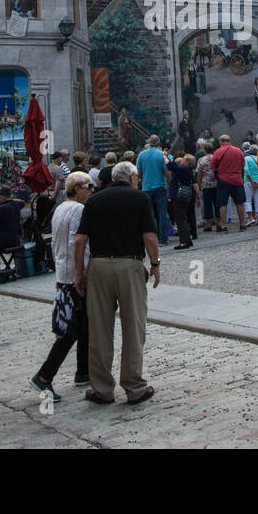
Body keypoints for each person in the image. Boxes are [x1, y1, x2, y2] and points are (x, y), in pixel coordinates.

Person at [74, 161, 160, 405]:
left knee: (99, 329)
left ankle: (102, 389)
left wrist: (79, 273)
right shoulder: (139, 198)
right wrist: (155, 264)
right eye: (137, 176)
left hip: (99, 266)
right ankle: (134, 387)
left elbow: (80, 240)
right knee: (133, 326)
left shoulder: (94, 199)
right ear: (132, 177)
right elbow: (150, 236)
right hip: (129, 265)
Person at [31, 172, 94, 401]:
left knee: (84, 324)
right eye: (89, 186)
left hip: (64, 272)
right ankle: (44, 376)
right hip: (73, 276)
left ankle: (83, 371)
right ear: (77, 188)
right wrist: (82, 274)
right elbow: (76, 243)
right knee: (71, 330)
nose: (92, 189)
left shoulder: (62, 208)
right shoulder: (77, 210)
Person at [136, 135, 172, 246]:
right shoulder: (161, 155)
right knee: (162, 213)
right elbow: (167, 172)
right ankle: (163, 238)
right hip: (160, 187)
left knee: (149, 214)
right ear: (158, 143)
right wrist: (169, 184)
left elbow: (139, 171)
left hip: (146, 187)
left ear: (149, 142)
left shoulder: (141, 155)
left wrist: (142, 181)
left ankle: (150, 237)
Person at [210, 134, 250, 230]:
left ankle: (224, 225)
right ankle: (242, 223)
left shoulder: (218, 151)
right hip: (237, 179)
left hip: (223, 179)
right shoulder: (238, 150)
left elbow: (212, 165)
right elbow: (243, 163)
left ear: (221, 142)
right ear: (230, 141)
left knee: (222, 203)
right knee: (239, 202)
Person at [167, 151, 196, 249]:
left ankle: (183, 241)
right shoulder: (186, 170)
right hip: (184, 196)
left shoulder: (184, 169)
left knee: (180, 219)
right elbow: (174, 165)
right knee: (183, 218)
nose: (181, 159)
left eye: (183, 158)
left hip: (179, 197)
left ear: (186, 161)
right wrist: (168, 157)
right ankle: (187, 239)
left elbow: (172, 167)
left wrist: (164, 157)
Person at [196, 140, 220, 231]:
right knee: (217, 203)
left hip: (206, 184)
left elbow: (199, 173)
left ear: (205, 149)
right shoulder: (216, 158)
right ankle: (219, 223)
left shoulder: (201, 160)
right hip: (217, 183)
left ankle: (208, 224)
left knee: (207, 204)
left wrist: (198, 185)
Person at [242, 142, 258, 226]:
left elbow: (246, 170)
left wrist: (251, 180)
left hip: (248, 181)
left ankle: (250, 218)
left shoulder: (246, 158)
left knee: (248, 200)